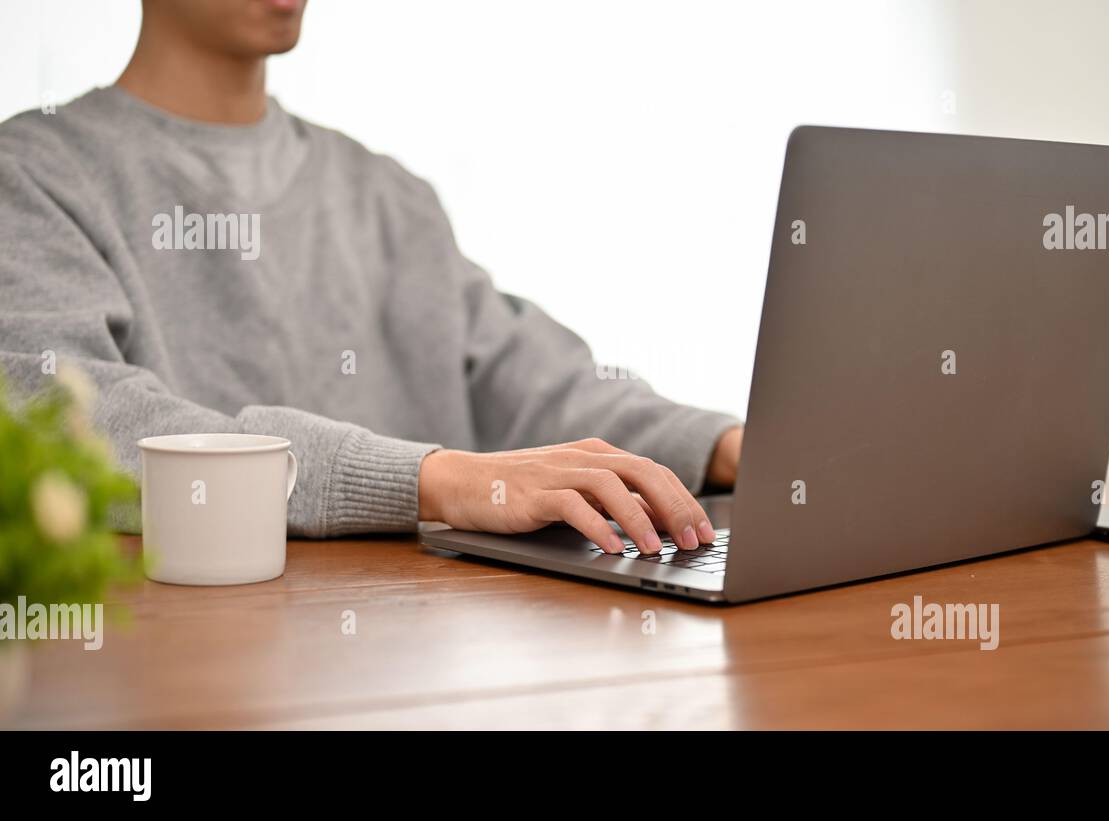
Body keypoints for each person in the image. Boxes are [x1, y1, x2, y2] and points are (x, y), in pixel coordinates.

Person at [0, 0, 743, 557]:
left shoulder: (385, 194)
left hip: (415, 661)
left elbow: (532, 381)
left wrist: (726, 445)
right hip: (184, 673)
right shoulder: (32, 176)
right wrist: (438, 480)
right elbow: (77, 426)